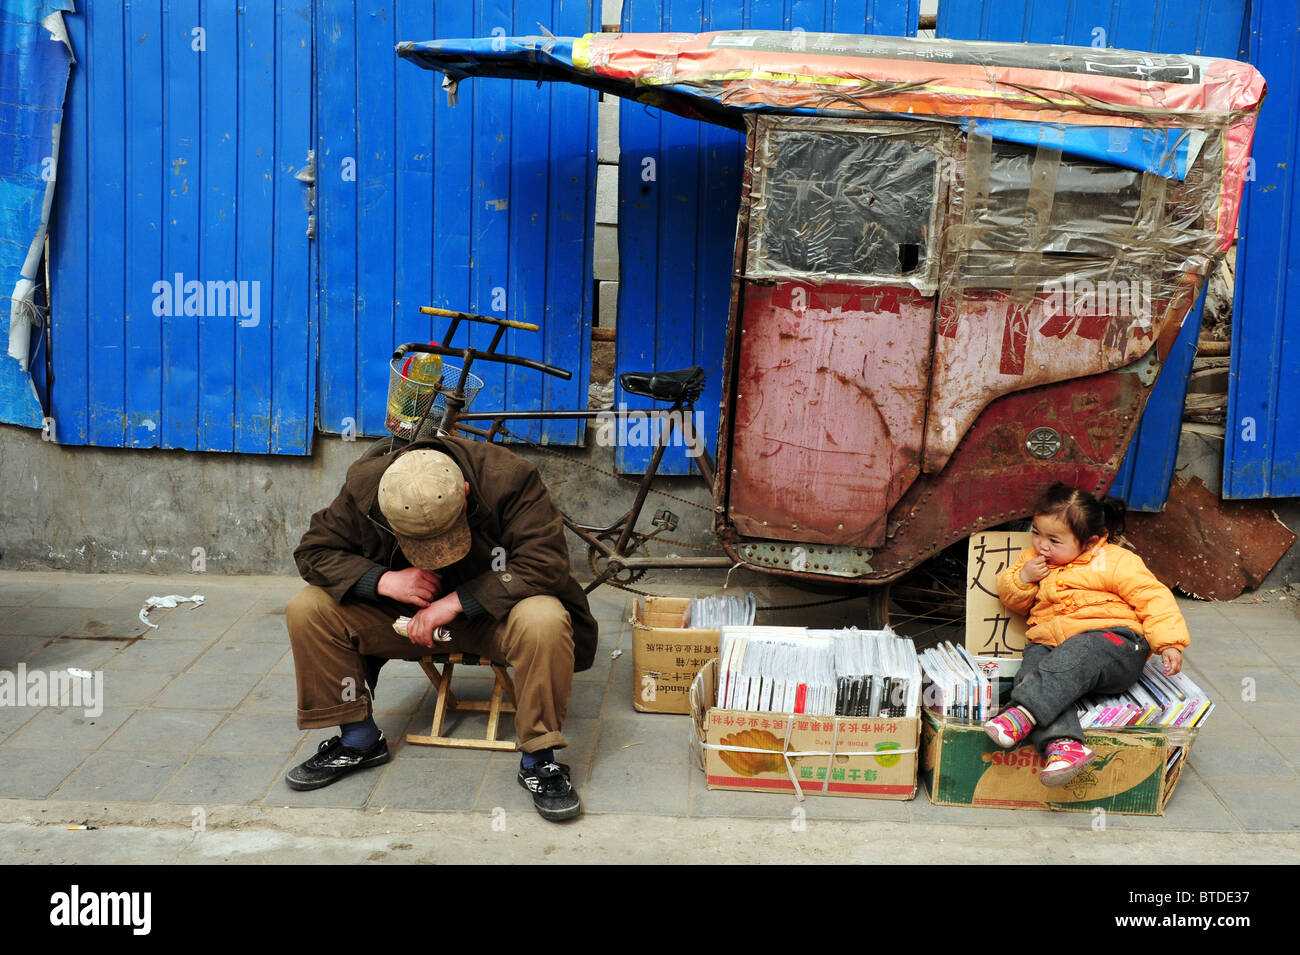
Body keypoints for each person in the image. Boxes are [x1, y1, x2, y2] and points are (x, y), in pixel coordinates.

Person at [282, 435, 598, 821]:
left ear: (465, 492)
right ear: (384, 509)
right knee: (308, 607)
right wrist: (384, 581)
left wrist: (456, 602)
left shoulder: (510, 478)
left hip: (493, 617)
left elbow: (545, 563)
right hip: (405, 617)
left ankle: (539, 760)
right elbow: (314, 552)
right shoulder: (368, 487)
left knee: (545, 619)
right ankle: (359, 739)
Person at [982, 482, 1190, 787]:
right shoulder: (1032, 562)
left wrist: (1170, 643)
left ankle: (1021, 712)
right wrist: (1024, 579)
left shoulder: (1115, 560)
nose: (1041, 545)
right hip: (1052, 645)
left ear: (1089, 543)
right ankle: (1064, 748)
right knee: (1032, 674)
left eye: (1054, 540)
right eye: (1036, 532)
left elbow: (1153, 597)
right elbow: (1014, 600)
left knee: (1079, 651)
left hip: (1114, 645)